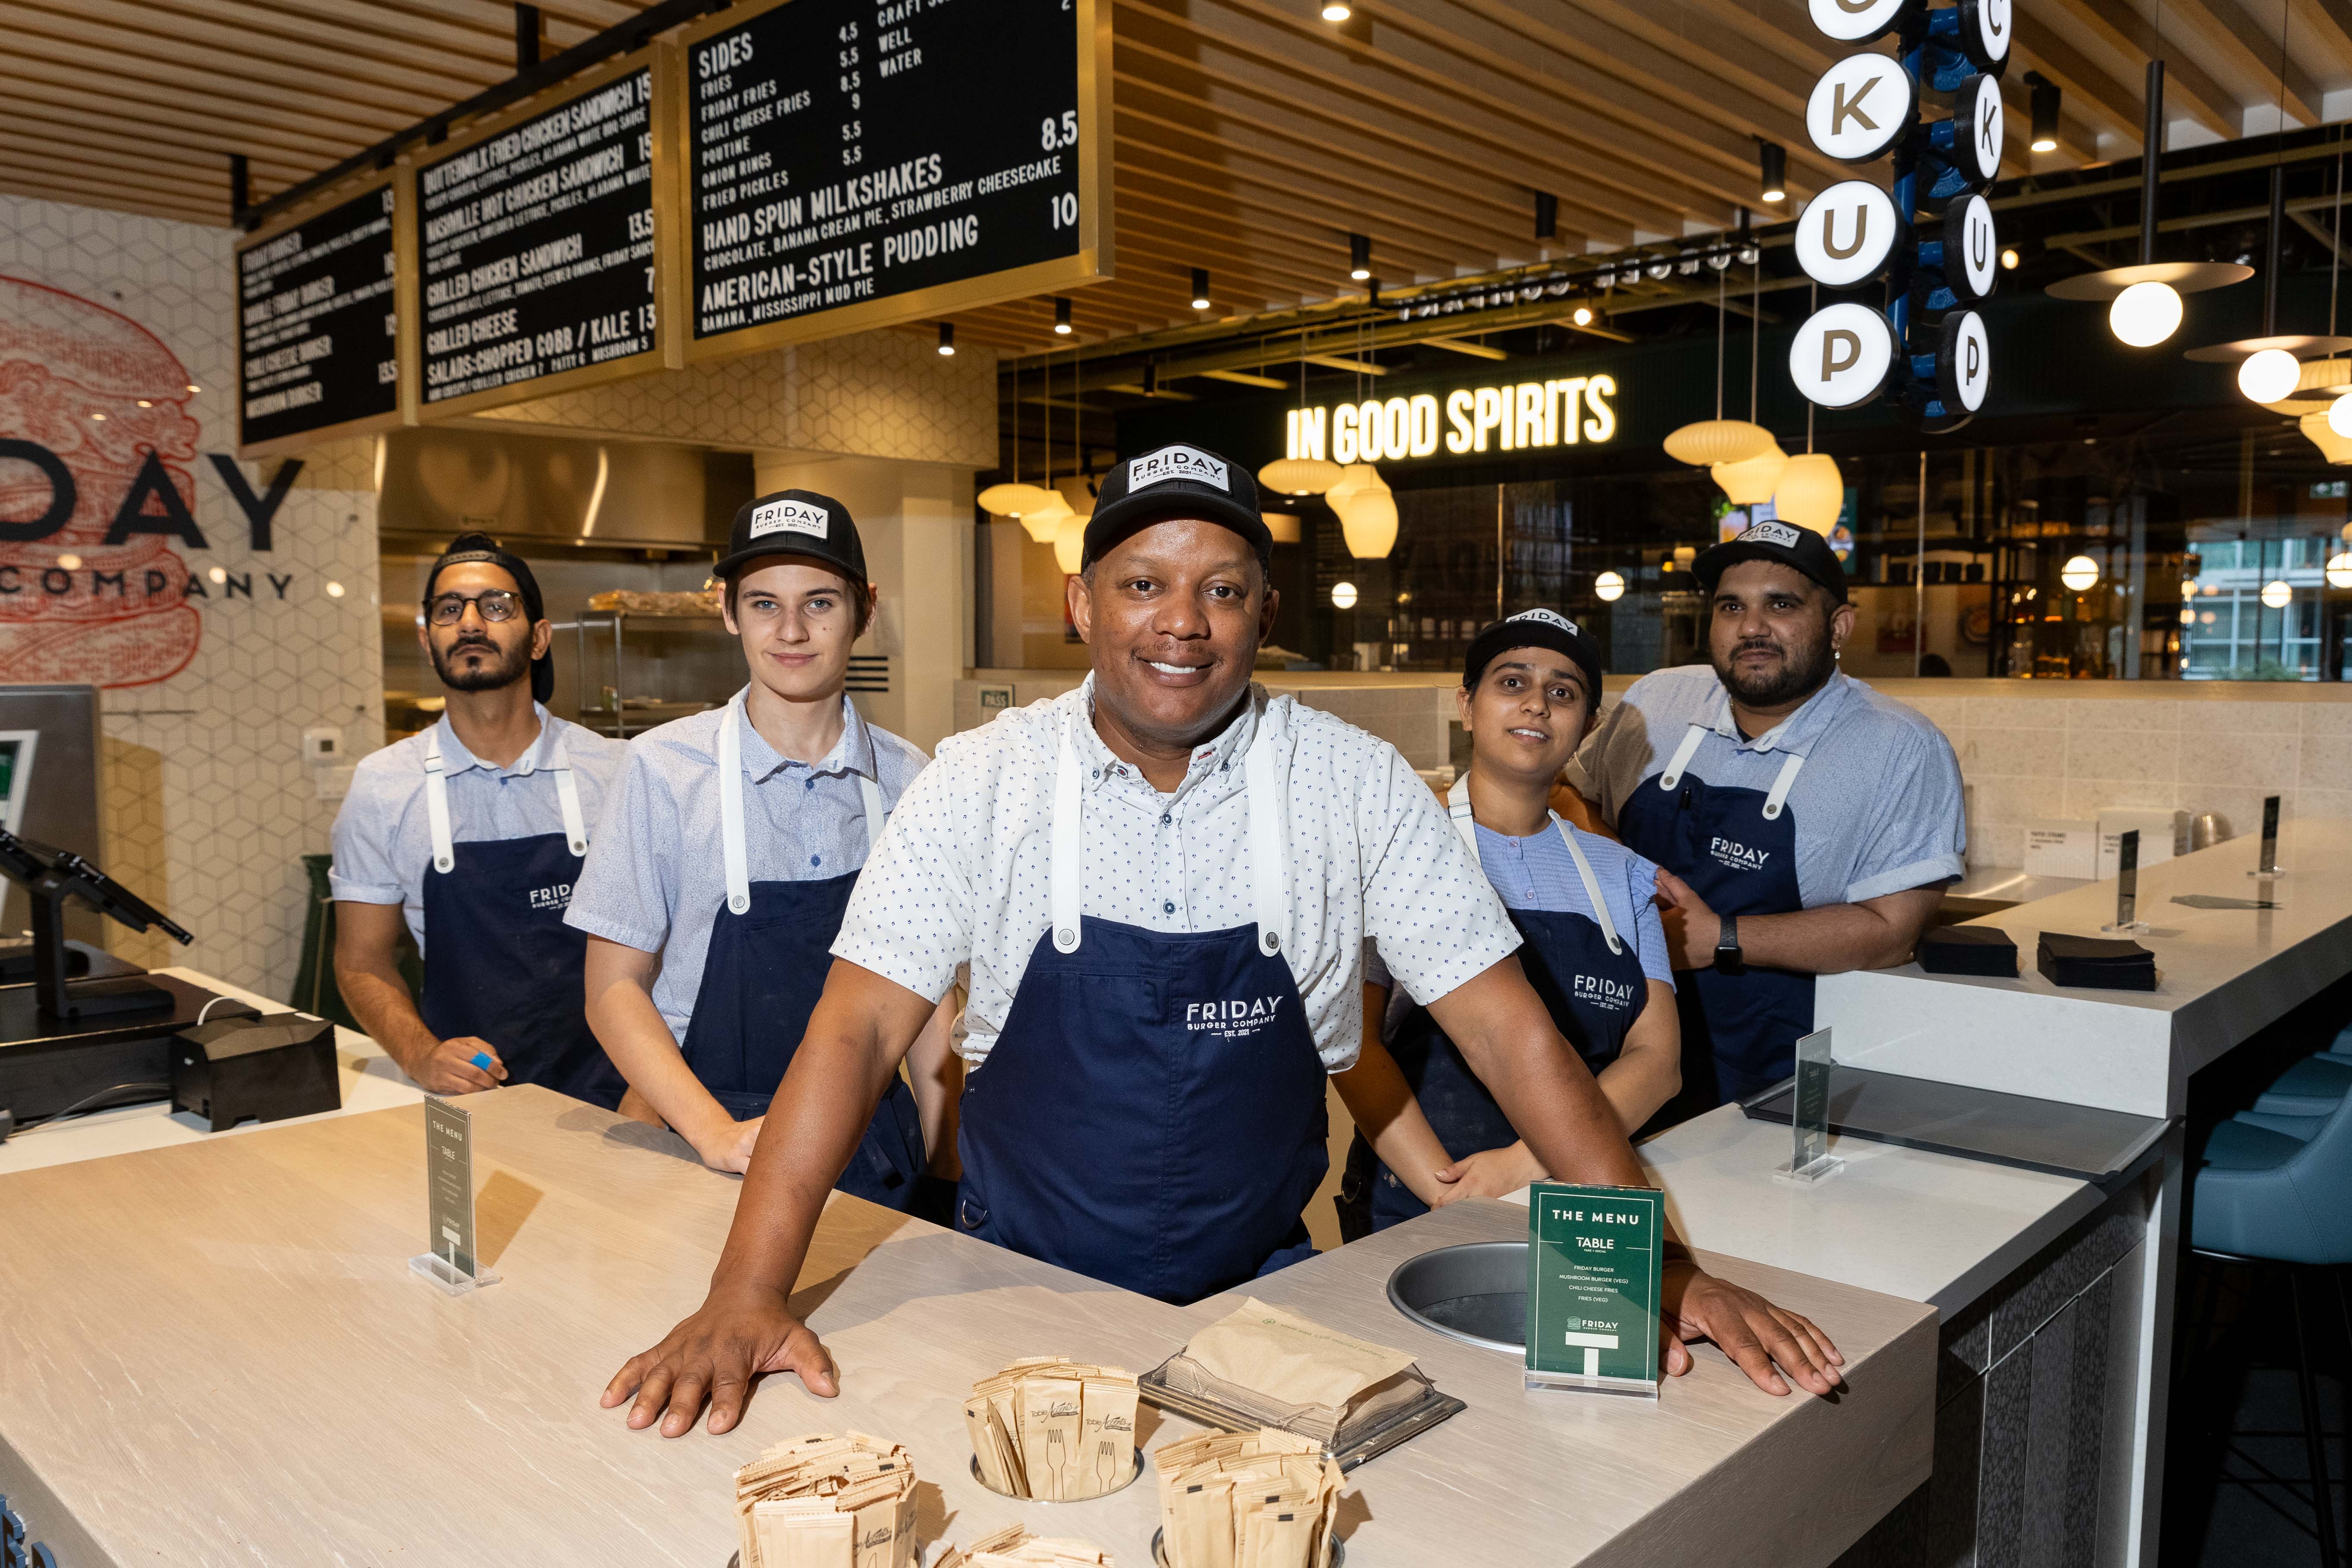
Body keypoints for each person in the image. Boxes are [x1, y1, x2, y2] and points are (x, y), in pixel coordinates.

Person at [600, 443, 1845, 1438]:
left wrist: (1661, 1274)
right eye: (1144, 584)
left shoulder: (1352, 785)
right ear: (1083, 603)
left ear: (1265, 611)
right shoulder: (983, 780)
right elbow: (856, 1028)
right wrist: (748, 1294)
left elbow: (1516, 1041)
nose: (1181, 623)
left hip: (1265, 1299)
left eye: (1222, 589)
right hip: (1015, 1292)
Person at [564, 491, 955, 1203]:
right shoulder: (662, 771)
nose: (792, 631)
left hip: (871, 1152)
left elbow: (929, 1004)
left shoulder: (911, 779)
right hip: (699, 1141)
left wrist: (943, 1167)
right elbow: (612, 989)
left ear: (865, 609)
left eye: (820, 603)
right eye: (764, 604)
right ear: (728, 611)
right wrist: (714, 1134)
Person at [1568, 518, 1965, 1124]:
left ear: (1839, 626)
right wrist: (1618, 871)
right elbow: (1567, 794)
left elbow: (1893, 934)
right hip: (1611, 1052)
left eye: (1781, 605)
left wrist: (1719, 938)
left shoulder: (1901, 747)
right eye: (1732, 606)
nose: (1751, 627)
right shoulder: (1658, 701)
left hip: (1773, 1079)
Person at [1334, 609, 1679, 1237]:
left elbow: (1658, 1060)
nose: (1538, 705)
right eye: (1512, 683)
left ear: (1589, 726)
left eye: (1563, 692)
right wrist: (1448, 1191)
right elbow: (1355, 1047)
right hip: (1418, 1195)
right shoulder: (1395, 847)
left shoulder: (1622, 872)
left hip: (1584, 1192)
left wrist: (1526, 1164)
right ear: (1468, 705)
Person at [331, 534, 626, 1106]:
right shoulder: (384, 786)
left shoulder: (615, 773)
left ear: (539, 637)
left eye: (496, 607)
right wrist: (419, 1053)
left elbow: (672, 954)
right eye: (449, 610)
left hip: (615, 1100)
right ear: (426, 640)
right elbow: (361, 961)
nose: (470, 623)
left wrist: (648, 1096)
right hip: (468, 1102)